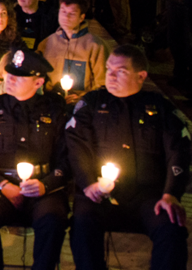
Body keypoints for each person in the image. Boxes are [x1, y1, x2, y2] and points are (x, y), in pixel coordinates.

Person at [67, 45, 191, 270]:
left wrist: (171, 193)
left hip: (147, 195)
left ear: (141, 76)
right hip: (98, 191)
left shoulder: (160, 108)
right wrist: (87, 184)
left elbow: (178, 151)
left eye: (121, 71)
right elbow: (76, 147)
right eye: (109, 69)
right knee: (82, 224)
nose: (111, 76)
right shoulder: (91, 104)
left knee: (171, 230)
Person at [0, 48, 69, 270]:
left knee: (53, 219)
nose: (10, 79)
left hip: (42, 186)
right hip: (1, 186)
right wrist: (2, 184)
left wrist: (45, 185)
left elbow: (65, 159)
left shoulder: (55, 109)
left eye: (19, 76)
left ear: (38, 82)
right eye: (9, 73)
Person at [37, 0, 106, 100]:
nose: (66, 17)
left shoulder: (95, 46)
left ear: (81, 17)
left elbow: (102, 83)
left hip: (82, 103)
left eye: (72, 14)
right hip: (52, 101)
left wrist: (82, 98)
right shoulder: (47, 43)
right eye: (63, 12)